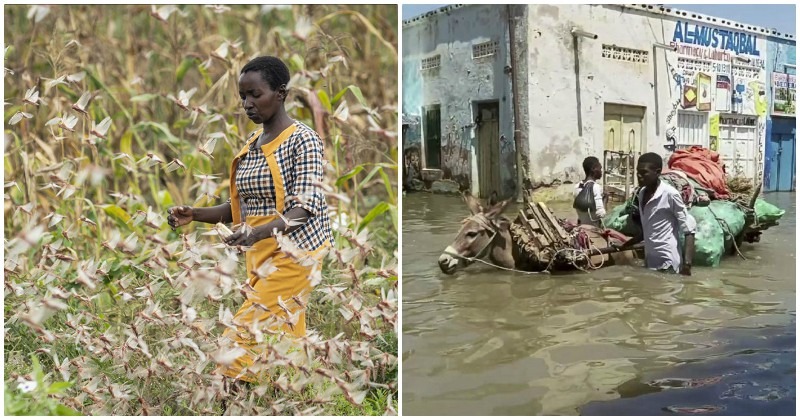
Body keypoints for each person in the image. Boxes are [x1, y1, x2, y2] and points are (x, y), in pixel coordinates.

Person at [166, 56, 333, 382]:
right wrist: (195, 214)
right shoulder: (252, 146)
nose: (247, 104)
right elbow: (243, 206)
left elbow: (305, 207)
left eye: (255, 94)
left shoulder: (304, 139)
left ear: (281, 93)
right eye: (243, 96)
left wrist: (256, 234)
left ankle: (230, 402)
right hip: (261, 256)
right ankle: (294, 397)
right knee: (283, 338)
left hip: (296, 254)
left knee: (238, 339)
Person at [618, 152, 695, 275]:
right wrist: (625, 245)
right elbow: (648, 231)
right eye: (637, 172)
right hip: (651, 261)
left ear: (658, 172)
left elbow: (689, 230)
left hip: (668, 262)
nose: (639, 176)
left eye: (644, 173)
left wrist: (687, 265)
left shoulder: (670, 195)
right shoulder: (642, 193)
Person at [573, 156, 606, 227]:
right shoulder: (596, 187)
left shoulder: (577, 187)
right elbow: (601, 214)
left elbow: (582, 210)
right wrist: (605, 200)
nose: (601, 171)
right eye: (600, 168)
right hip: (593, 228)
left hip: (582, 226)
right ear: (593, 169)